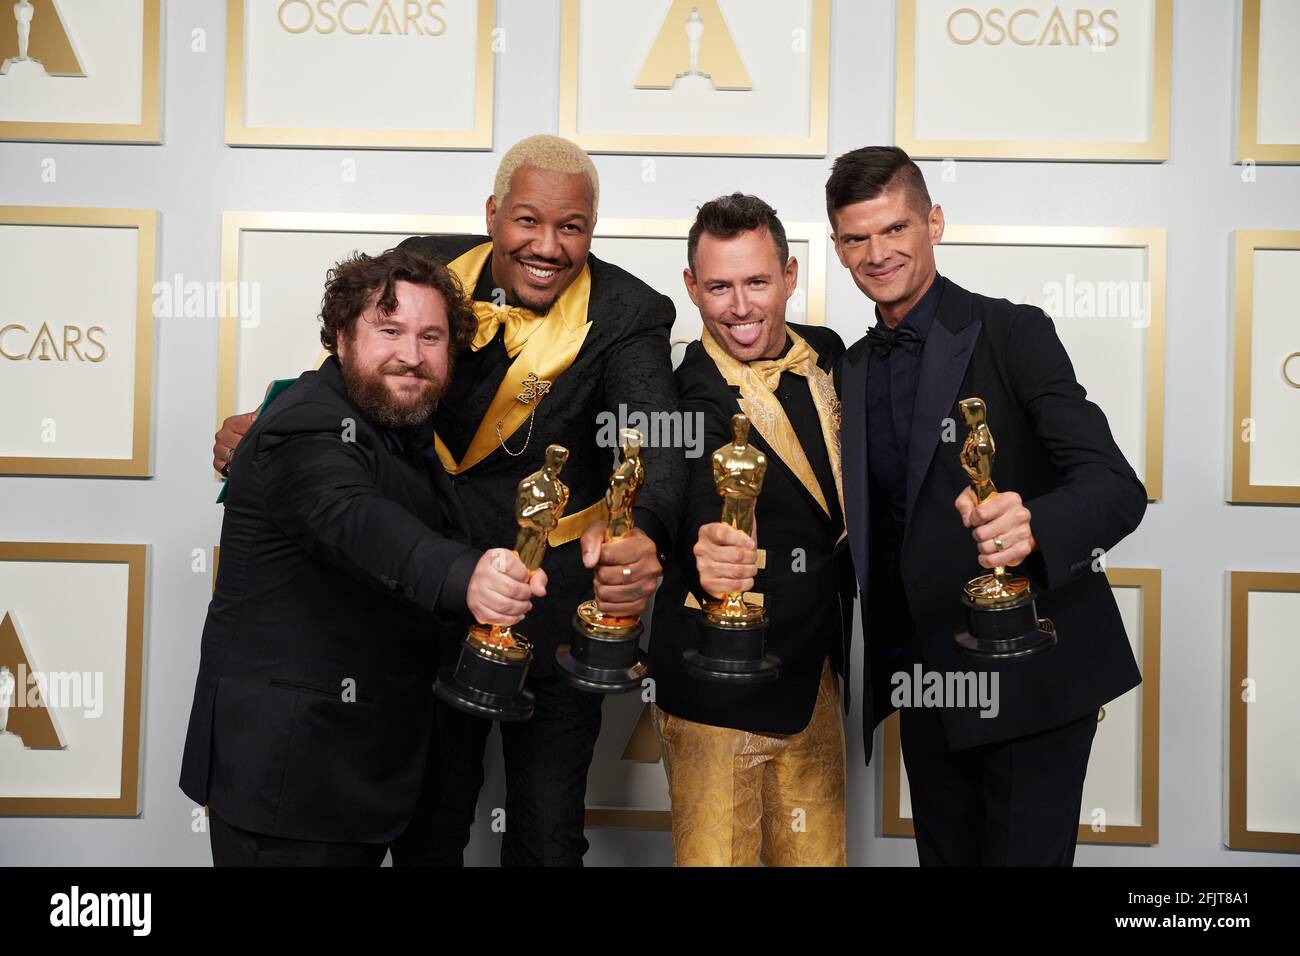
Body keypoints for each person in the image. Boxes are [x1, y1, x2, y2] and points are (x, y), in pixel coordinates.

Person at [210, 134, 685, 866]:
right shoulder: (427, 261)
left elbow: (652, 435)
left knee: (546, 829)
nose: (549, 246)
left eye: (573, 228)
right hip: (415, 589)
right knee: (426, 817)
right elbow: (362, 370)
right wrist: (269, 420)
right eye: (528, 220)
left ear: (593, 229)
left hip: (550, 601)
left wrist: (646, 531)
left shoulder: (627, 309)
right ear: (493, 214)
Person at [829, 146, 1146, 866]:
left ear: (933, 222)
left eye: (895, 229)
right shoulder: (848, 365)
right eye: (856, 237)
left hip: (1033, 679)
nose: (877, 254)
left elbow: (1114, 486)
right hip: (926, 683)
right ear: (838, 246)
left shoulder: (1013, 332)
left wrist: (1034, 526)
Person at [180, 247, 549, 865]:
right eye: (390, 330)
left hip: (369, 773)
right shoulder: (304, 426)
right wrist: (467, 576)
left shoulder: (398, 423)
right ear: (341, 338)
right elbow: (353, 517)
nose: (412, 353)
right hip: (291, 781)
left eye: (431, 336)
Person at [648, 194, 855, 866]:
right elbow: (683, 494)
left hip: (815, 683)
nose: (739, 307)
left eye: (757, 282)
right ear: (691, 288)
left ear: (791, 275)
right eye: (719, 286)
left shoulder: (828, 357)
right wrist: (706, 544)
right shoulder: (678, 396)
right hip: (714, 693)